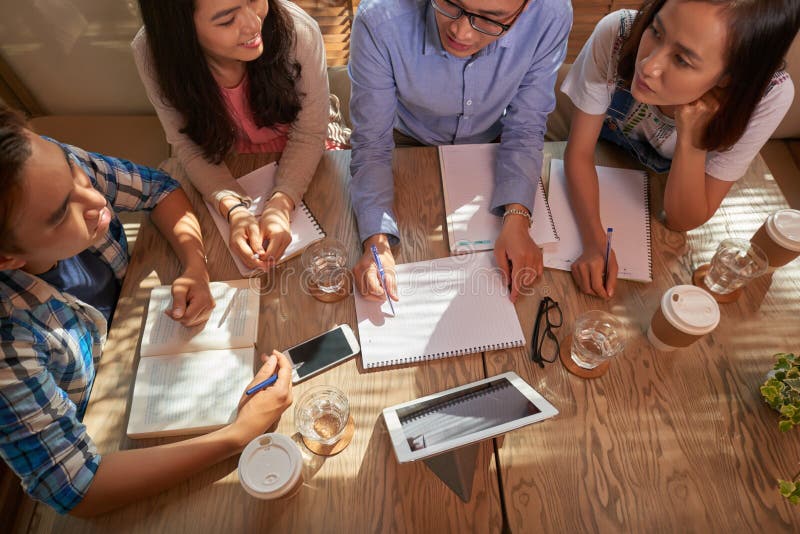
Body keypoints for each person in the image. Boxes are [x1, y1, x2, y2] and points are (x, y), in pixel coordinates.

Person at [0, 106, 293, 517]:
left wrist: (195, 264)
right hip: (108, 424)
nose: (96, 199)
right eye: (61, 214)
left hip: (135, 334)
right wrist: (240, 433)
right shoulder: (8, 344)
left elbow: (158, 188)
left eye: (75, 171)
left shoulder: (52, 171)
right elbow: (80, 488)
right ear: (8, 259)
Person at [561, 0, 799, 299]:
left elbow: (681, 220)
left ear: (730, 77)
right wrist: (595, 241)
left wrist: (693, 139)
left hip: (676, 178)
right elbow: (579, 152)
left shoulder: (769, 95)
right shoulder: (618, 31)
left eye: (682, 60)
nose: (648, 66)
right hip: (603, 143)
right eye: (656, 31)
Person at [348, 0, 572, 303]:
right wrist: (377, 244)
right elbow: (372, 143)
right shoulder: (379, 19)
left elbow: (526, 125)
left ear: (526, 7)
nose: (461, 32)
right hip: (408, 141)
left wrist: (517, 217)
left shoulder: (551, 14)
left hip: (493, 143)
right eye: (450, 3)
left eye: (492, 19)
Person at [133, 0, 329, 271]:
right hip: (222, 159)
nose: (253, 23)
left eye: (254, 0)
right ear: (181, 30)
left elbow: (309, 133)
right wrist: (234, 210)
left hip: (302, 154)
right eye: (227, 20)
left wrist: (281, 204)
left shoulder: (299, 31)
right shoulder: (151, 53)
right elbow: (186, 144)